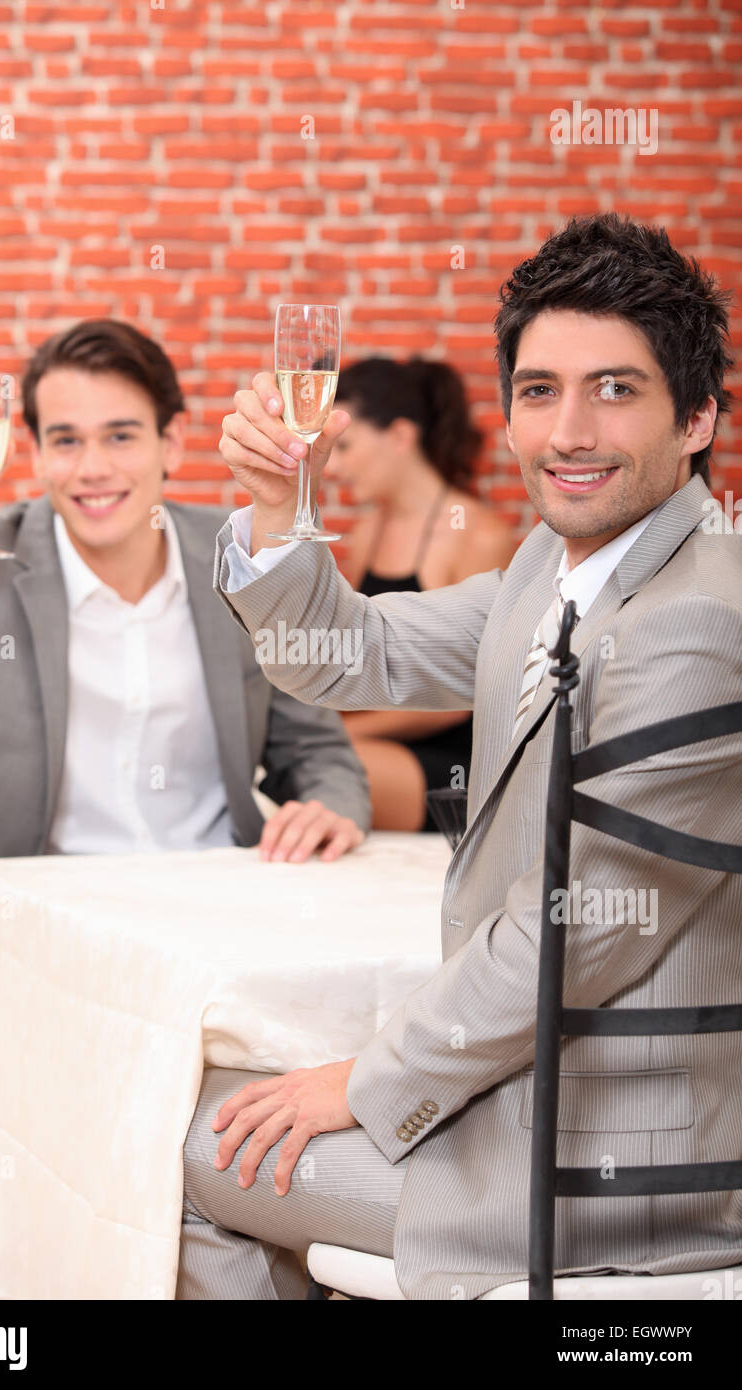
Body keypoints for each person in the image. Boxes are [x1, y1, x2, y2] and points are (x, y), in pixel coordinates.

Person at [176, 212, 742, 1299]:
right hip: (530, 1094)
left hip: (611, 1158)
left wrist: (368, 1077)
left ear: (698, 417)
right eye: (538, 391)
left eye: (614, 389)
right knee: (217, 1096)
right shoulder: (554, 564)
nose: (567, 431)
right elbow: (346, 655)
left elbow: (576, 934)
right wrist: (274, 506)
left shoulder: (697, 618)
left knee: (203, 1150)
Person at [0, 320, 370, 1013]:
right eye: (66, 440)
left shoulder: (239, 558)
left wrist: (328, 807)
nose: (92, 469)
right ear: (38, 454)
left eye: (120, 435)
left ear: (169, 442)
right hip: (31, 934)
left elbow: (316, 747)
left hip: (212, 925)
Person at [325, 356, 517, 830]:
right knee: (301, 760)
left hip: (458, 756)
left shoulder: (476, 533)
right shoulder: (369, 531)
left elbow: (471, 693)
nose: (333, 467)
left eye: (345, 446)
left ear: (401, 436)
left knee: (333, 765)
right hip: (376, 741)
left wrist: (341, 733)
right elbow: (357, 656)